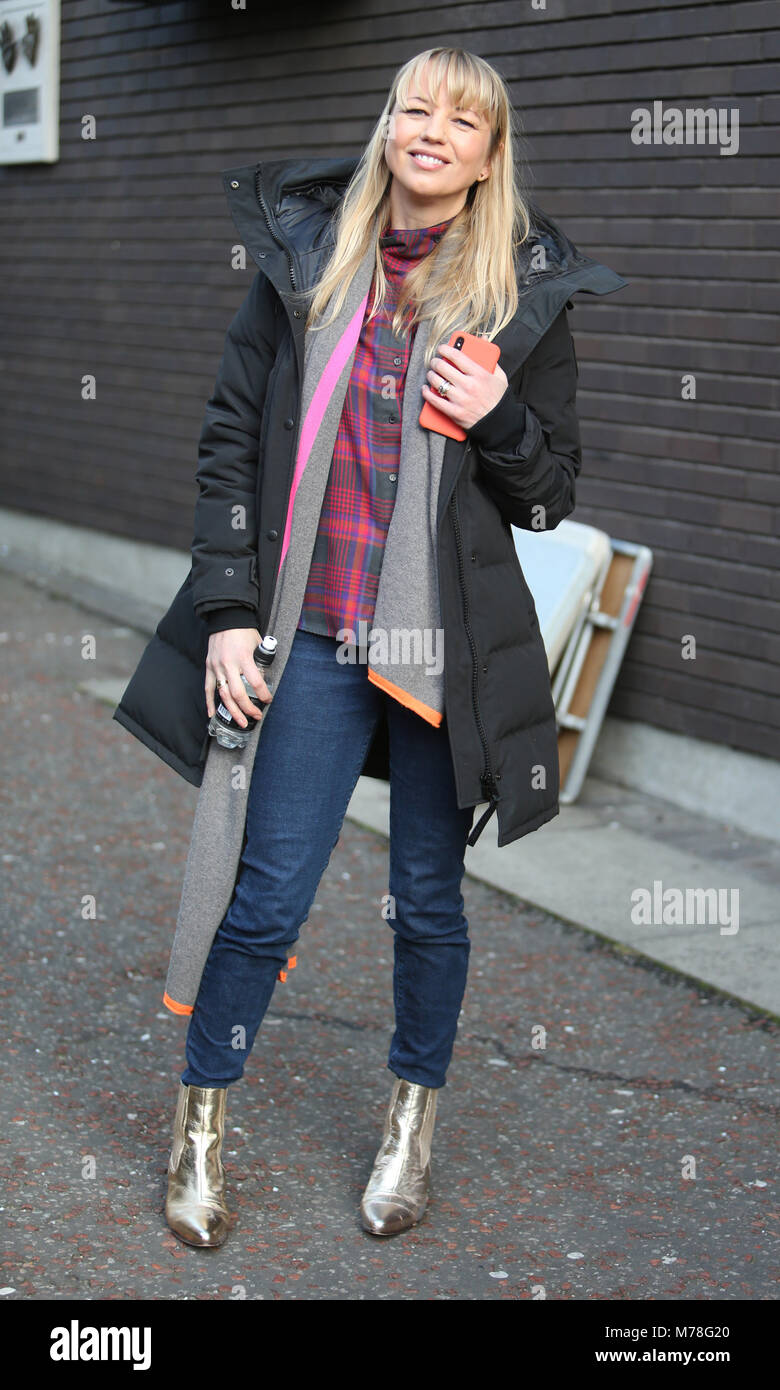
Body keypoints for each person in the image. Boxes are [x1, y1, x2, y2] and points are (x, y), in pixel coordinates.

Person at [155, 46, 627, 1248]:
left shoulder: (521, 301)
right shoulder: (310, 263)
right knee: (266, 899)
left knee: (427, 901)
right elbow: (228, 439)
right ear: (387, 130)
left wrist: (498, 417)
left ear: (484, 157)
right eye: (414, 108)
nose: (432, 131)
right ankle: (201, 1122)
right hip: (308, 628)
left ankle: (410, 1124)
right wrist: (224, 612)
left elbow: (548, 495)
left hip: (437, 649)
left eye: (460, 122)